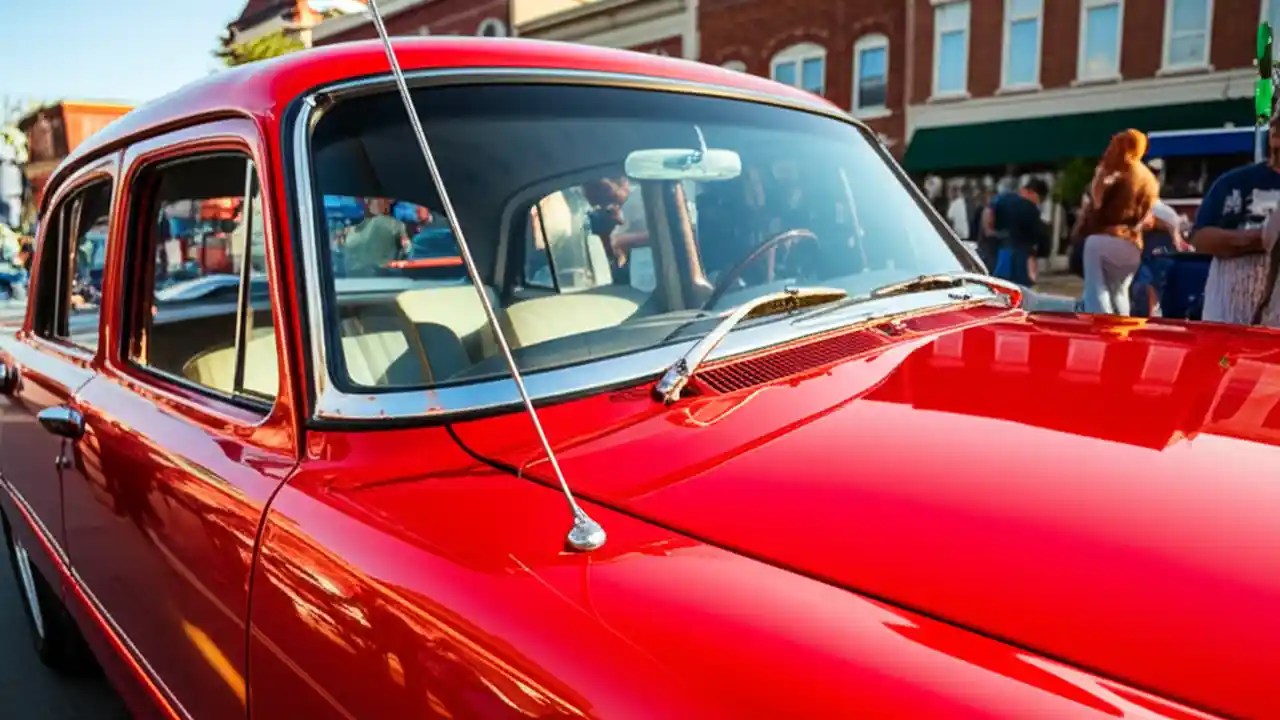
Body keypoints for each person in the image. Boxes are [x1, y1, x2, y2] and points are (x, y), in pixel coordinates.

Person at [1190, 108, 1280, 325]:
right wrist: (1261, 238)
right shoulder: (1234, 182)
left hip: (1274, 317)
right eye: (1276, 124)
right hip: (1226, 311)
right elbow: (1200, 238)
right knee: (1219, 359)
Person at [1080, 129, 1160, 316]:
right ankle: (1122, 328)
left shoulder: (1118, 172)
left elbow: (1098, 203)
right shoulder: (1149, 178)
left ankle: (1099, 323)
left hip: (1105, 238)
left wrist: (1098, 180)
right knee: (1120, 292)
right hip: (1133, 244)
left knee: (1096, 288)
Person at [983, 177, 1048, 287]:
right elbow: (1038, 237)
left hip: (999, 254)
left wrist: (989, 231)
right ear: (1034, 193)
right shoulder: (1031, 209)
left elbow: (988, 213)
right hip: (1021, 258)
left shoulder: (1001, 199)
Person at [343, 197, 408, 276]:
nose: (366, 201)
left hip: (357, 282)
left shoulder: (394, 226)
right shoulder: (396, 226)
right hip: (381, 281)